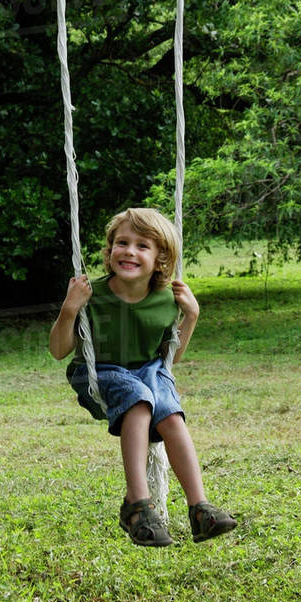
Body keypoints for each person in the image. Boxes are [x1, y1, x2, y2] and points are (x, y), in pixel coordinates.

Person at [50, 206, 236, 547]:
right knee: (138, 400)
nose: (130, 251)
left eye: (142, 246)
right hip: (100, 374)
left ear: (161, 259)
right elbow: (59, 350)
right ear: (109, 251)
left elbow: (170, 359)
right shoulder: (92, 295)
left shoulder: (168, 300)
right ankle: (136, 505)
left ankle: (199, 509)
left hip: (148, 372)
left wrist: (191, 316)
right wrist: (69, 309)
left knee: (170, 412)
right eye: (122, 242)